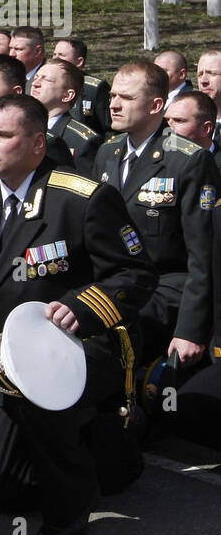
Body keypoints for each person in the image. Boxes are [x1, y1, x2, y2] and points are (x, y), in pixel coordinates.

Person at [0, 95, 156, 535]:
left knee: (44, 416)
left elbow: (136, 273)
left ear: (37, 143)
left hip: (79, 344)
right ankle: (101, 440)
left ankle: (73, 503)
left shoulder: (82, 199)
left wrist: (82, 306)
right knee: (8, 494)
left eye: (4, 136)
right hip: (6, 355)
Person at [90, 61, 218, 376]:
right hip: (113, 286)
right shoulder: (108, 153)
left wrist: (190, 329)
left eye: (127, 98)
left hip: (163, 291)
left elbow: (203, 255)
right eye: (113, 96)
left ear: (156, 105)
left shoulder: (186, 160)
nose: (114, 104)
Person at [30, 58, 101, 175]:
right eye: (36, 77)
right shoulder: (22, 128)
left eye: (46, 80)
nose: (35, 84)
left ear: (67, 95)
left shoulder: (82, 141)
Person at [53, 37, 111, 135]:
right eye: (54, 54)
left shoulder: (95, 89)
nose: (55, 58)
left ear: (79, 62)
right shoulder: (47, 84)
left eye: (61, 55)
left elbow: (109, 128)